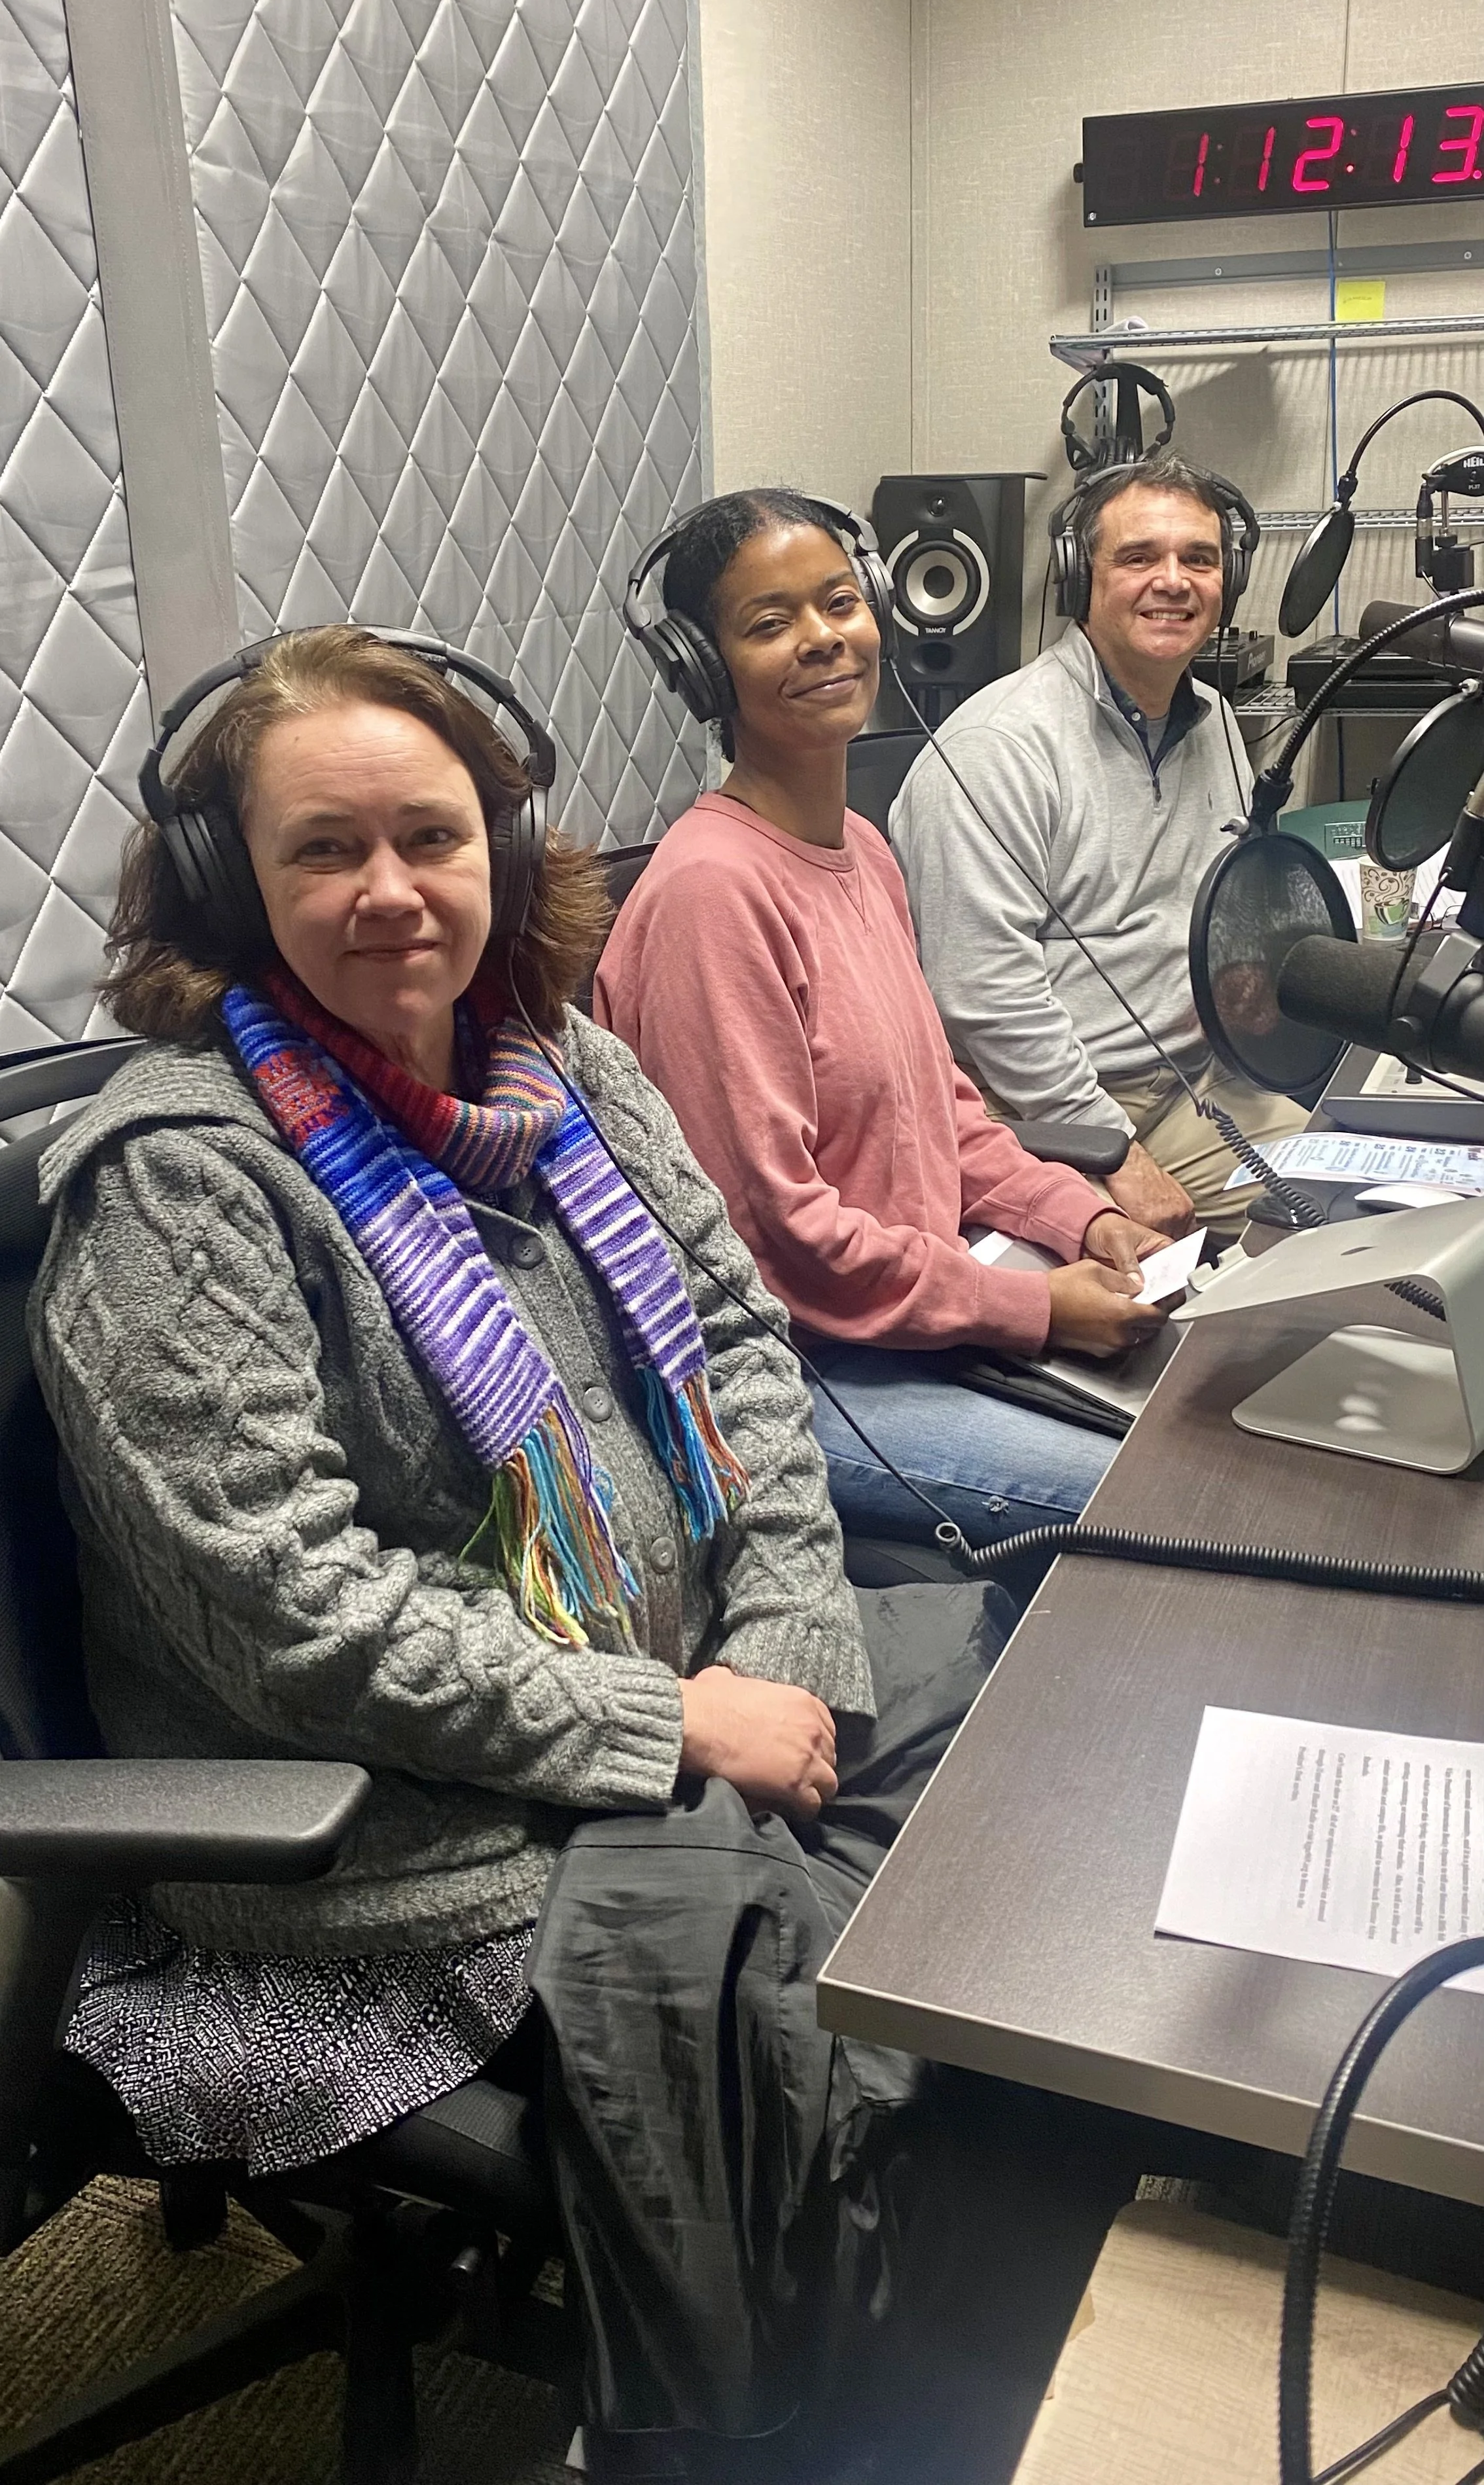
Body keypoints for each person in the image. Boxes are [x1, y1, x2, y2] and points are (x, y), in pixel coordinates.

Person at [28, 624, 1006, 2482]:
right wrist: (672, 1725)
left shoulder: (565, 1076)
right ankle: (756, 2431)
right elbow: (292, 1617)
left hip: (687, 1695)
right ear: (232, 885)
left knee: (1011, 1834)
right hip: (393, 1828)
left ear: (503, 846)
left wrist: (787, 1636)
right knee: (811, 2025)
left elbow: (740, 1360)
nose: (392, 891)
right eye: (325, 849)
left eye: (434, 834)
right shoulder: (179, 1179)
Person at [595, 491, 1168, 1575]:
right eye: (769, 623)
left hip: (915, 1324)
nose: (820, 638)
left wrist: (1078, 1216)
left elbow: (944, 1107)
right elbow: (775, 1240)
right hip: (802, 1379)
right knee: (1151, 1502)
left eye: (839, 603)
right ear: (705, 670)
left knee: (1189, 1419)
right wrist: (1029, 1307)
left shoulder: (860, 844)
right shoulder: (709, 897)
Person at [889, 455, 1308, 1241]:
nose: (1174, 581)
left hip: (1197, 1085)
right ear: (1082, 577)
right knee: (1248, 1276)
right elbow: (983, 994)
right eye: (1140, 557)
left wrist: (1242, 971)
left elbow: (1220, 897)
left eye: (1200, 559)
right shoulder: (997, 748)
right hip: (1045, 1114)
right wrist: (1106, 1146)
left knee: (1364, 1206)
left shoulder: (1215, 719)